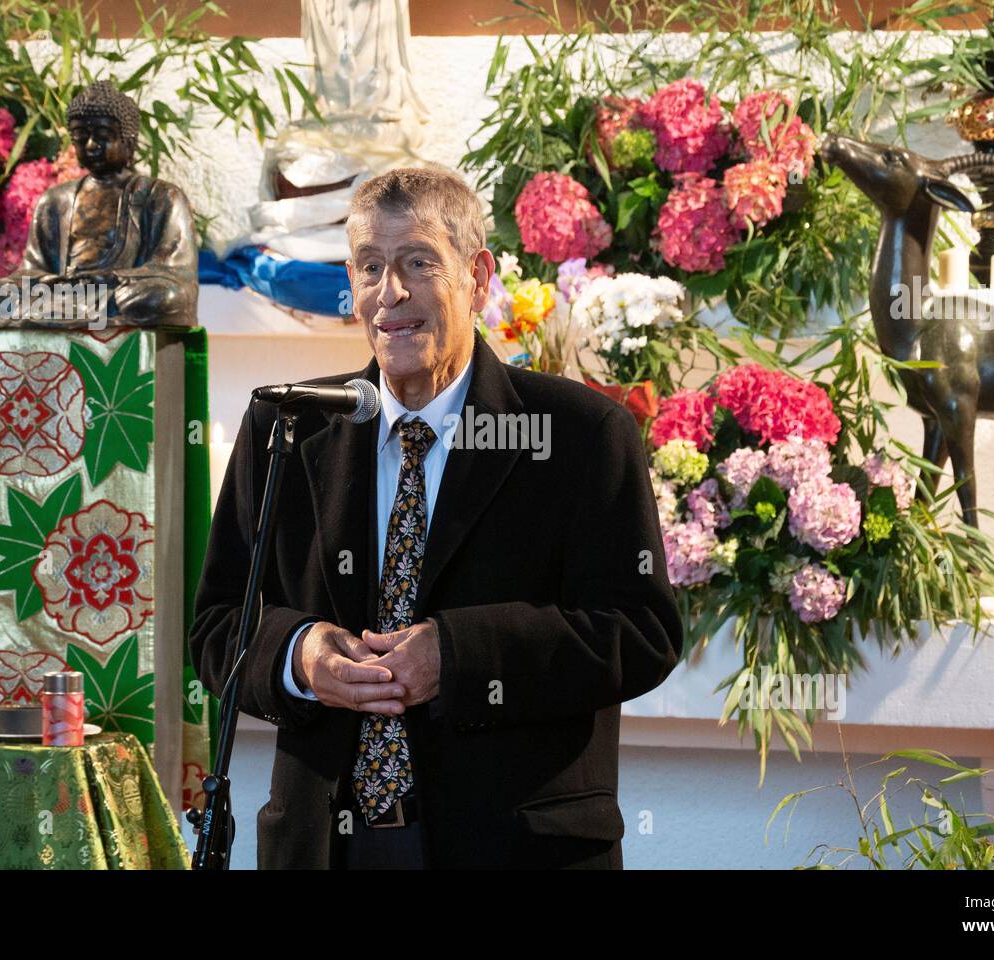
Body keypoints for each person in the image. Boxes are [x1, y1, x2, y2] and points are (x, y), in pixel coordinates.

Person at [189, 164, 682, 869]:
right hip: (321, 846)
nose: (390, 293)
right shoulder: (288, 423)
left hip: (514, 849)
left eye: (418, 263)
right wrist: (300, 656)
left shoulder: (579, 433)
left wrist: (457, 656)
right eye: (369, 267)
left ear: (477, 278)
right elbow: (216, 626)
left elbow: (641, 632)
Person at [0, 80, 198, 328]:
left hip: (117, 293)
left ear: (129, 142)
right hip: (63, 295)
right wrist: (51, 283)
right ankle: (79, 311)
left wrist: (109, 279)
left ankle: (77, 311)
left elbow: (176, 271)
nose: (90, 145)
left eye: (102, 136)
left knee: (159, 299)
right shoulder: (55, 200)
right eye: (80, 137)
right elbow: (32, 268)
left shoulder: (160, 196)